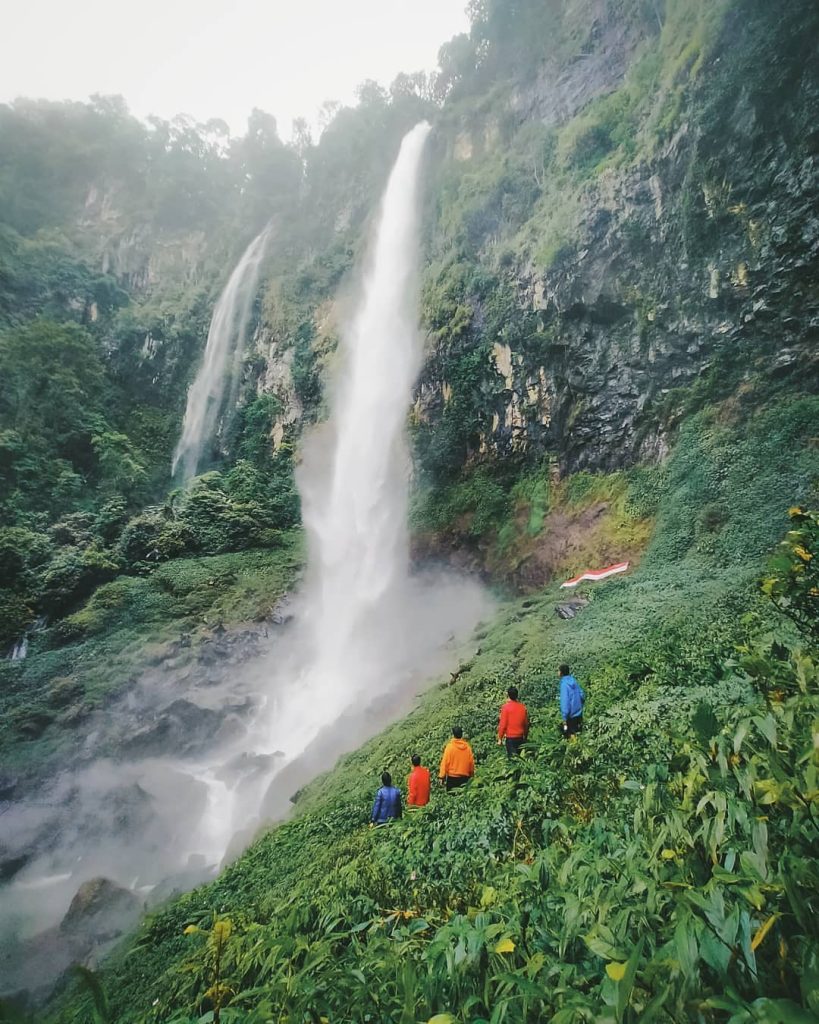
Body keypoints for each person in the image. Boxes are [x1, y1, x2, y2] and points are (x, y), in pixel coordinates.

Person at [438, 726, 475, 790]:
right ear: (462, 734)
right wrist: (472, 774)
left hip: (452, 779)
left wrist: (442, 776)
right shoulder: (467, 747)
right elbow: (471, 763)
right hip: (465, 778)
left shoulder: (450, 747)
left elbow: (445, 763)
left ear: (453, 735)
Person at [497, 685, 530, 757]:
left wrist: (500, 738)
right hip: (520, 738)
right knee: (520, 759)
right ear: (517, 695)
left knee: (512, 759)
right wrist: (525, 737)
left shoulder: (505, 708)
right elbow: (526, 724)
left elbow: (503, 725)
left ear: (508, 695)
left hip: (511, 739)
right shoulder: (522, 707)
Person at [558, 664, 585, 738]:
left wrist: (564, 717)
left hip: (570, 715)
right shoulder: (573, 681)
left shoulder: (564, 684)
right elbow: (582, 694)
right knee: (578, 732)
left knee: (571, 735)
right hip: (579, 712)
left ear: (561, 673)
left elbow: (565, 702)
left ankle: (575, 745)